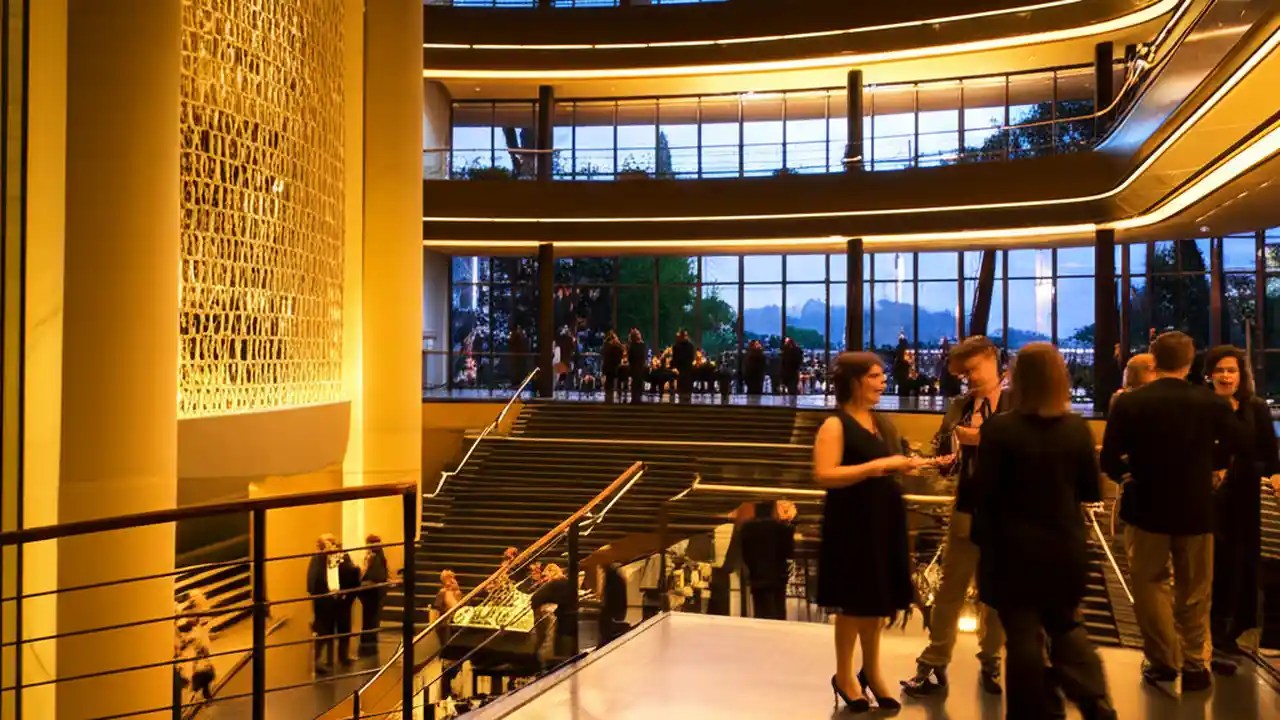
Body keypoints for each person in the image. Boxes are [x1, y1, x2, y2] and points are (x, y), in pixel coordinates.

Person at [973, 343, 1117, 720]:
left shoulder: (999, 430)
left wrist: (981, 548)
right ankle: (1093, 699)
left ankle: (1036, 712)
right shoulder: (1076, 429)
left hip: (1011, 551)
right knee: (1066, 624)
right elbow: (1089, 490)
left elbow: (983, 496)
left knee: (1022, 637)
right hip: (1064, 548)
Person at [1100, 331, 1244, 691]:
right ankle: (1196, 663)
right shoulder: (1211, 403)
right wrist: (1214, 469)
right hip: (1196, 508)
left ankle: (1164, 660)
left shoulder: (1131, 403)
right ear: (1190, 361)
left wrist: (1129, 477)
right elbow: (1235, 445)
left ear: (1154, 358)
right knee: (1196, 588)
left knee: (1150, 585)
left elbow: (1109, 458)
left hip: (1145, 507)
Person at [815, 352, 925, 713]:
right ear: (855, 381)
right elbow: (825, 475)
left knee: (876, 600)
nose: (882, 382)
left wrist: (906, 464)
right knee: (853, 600)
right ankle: (845, 674)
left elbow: (884, 466)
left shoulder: (881, 423)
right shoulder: (836, 425)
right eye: (875, 376)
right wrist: (877, 466)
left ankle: (872, 670)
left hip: (881, 520)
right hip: (851, 523)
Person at [903, 335, 1007, 697]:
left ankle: (991, 658)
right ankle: (933, 662)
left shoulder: (1018, 403)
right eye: (964, 374)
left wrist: (985, 440)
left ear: (993, 359)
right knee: (949, 589)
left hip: (1005, 513)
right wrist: (932, 462)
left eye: (974, 369)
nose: (970, 378)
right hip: (966, 507)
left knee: (994, 593)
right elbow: (947, 454)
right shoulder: (960, 406)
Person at [1203, 345, 1279, 659]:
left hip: (1245, 496)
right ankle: (1211, 629)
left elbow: (1269, 453)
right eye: (1219, 369)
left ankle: (1234, 628)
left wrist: (1274, 476)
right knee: (1215, 562)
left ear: (1240, 374)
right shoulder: (1202, 406)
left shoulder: (1255, 407)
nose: (1225, 375)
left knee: (1242, 562)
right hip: (1208, 497)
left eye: (1231, 370)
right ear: (1209, 374)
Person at [739, 499, 797, 621]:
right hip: (777, 575)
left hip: (756, 574)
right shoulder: (783, 529)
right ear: (773, 510)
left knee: (760, 610)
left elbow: (744, 551)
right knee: (778, 609)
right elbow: (789, 552)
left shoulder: (747, 528)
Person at [306, 533, 341, 674]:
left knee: (329, 630)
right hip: (322, 600)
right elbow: (313, 580)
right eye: (330, 543)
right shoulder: (317, 559)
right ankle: (317, 661)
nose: (332, 546)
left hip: (330, 599)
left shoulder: (328, 559)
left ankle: (328, 660)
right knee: (322, 630)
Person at [358, 534, 390, 657]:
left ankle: (368, 647)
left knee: (370, 621)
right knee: (372, 620)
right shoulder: (379, 557)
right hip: (376, 594)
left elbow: (374, 577)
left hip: (372, 594)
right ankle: (370, 645)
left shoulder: (374, 558)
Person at [672, 329, 695, 402]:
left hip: (683, 366)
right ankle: (685, 395)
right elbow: (691, 356)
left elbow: (675, 357)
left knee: (683, 381)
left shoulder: (677, 346)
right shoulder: (689, 345)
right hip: (685, 366)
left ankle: (683, 394)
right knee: (685, 381)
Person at [601, 330, 624, 403]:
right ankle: (611, 398)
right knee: (612, 382)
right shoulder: (615, 346)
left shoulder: (605, 345)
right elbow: (621, 351)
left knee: (609, 382)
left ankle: (608, 398)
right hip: (613, 366)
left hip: (608, 366)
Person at [627, 328, 647, 404]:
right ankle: (636, 398)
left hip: (636, 366)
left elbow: (630, 357)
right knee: (637, 382)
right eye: (638, 334)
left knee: (636, 382)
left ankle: (636, 398)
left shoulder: (633, 346)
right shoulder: (639, 345)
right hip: (637, 366)